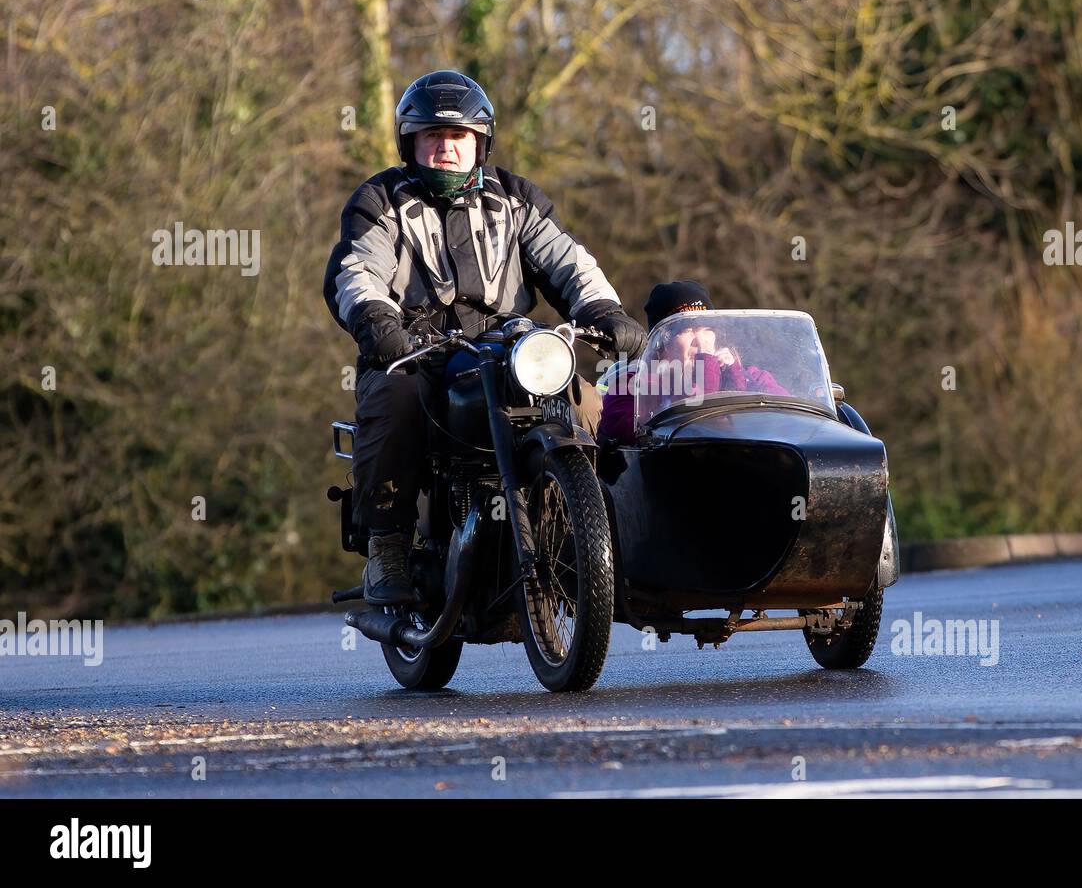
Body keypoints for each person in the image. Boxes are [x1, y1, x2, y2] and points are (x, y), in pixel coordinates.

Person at [324, 71, 647, 606]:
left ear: (480, 142)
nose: (446, 149)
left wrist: (604, 310)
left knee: (589, 406)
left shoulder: (516, 198)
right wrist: (379, 325)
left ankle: (598, 538)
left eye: (458, 138)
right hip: (416, 350)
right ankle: (388, 549)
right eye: (432, 137)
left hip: (509, 346)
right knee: (394, 398)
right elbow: (357, 270)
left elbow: (569, 262)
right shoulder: (379, 199)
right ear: (412, 144)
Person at [597, 281, 787, 445]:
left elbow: (790, 421)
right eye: (686, 330)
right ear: (661, 343)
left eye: (706, 328)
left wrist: (736, 377)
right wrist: (707, 367)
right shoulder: (633, 386)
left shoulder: (750, 375)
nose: (700, 340)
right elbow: (700, 428)